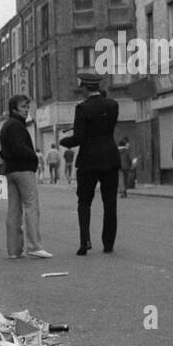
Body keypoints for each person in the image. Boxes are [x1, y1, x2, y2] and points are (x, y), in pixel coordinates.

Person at [60, 73, 120, 255]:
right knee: (110, 203)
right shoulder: (113, 105)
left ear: (85, 88)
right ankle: (108, 243)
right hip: (110, 157)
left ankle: (85, 241)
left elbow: (79, 137)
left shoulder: (82, 108)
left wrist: (65, 142)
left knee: (84, 202)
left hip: (89, 160)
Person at [0, 95, 52, 259]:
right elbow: (19, 148)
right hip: (23, 170)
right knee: (31, 206)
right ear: (14, 109)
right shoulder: (16, 126)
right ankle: (34, 245)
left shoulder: (7, 125)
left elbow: (4, 151)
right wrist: (33, 157)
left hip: (11, 171)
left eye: (27, 106)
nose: (26, 109)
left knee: (14, 210)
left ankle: (14, 250)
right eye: (23, 107)